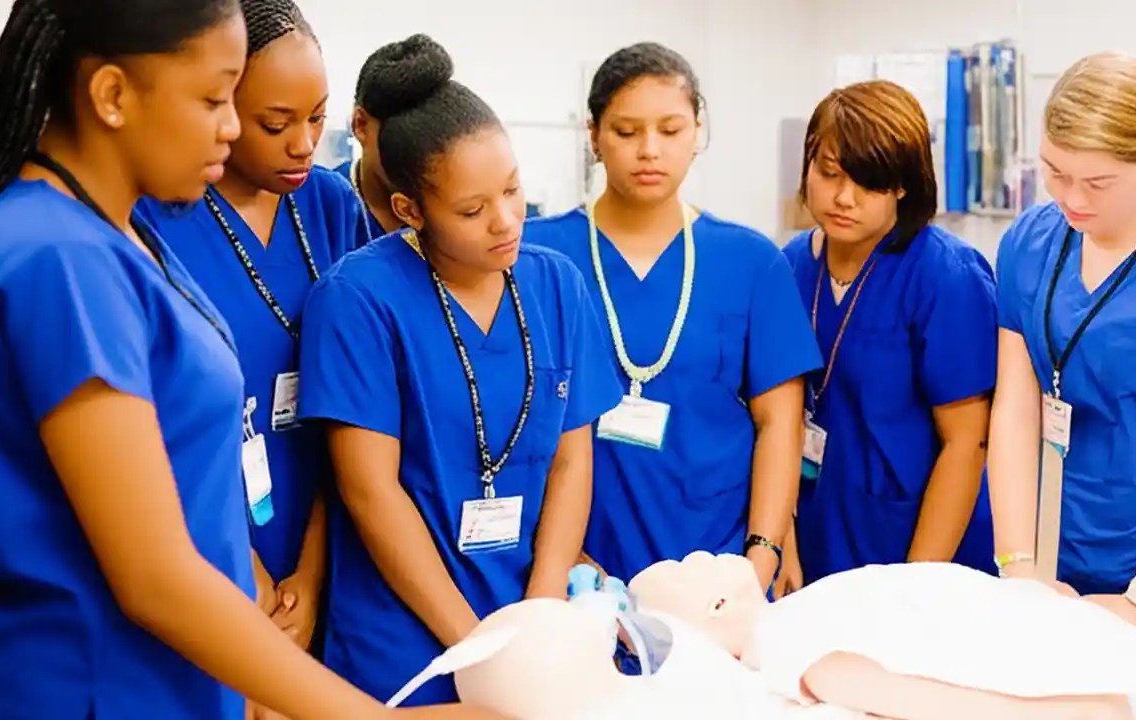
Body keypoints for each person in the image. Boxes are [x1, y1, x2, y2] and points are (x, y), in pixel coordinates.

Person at [0, 2, 502, 718]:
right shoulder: (56, 255)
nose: (230, 128)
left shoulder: (116, 235)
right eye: (213, 99)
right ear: (112, 95)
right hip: (102, 682)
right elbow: (156, 577)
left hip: (182, 670)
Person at [297, 34, 622, 705]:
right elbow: (370, 492)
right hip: (404, 636)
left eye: (512, 190)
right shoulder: (358, 299)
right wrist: (477, 647)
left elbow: (570, 460)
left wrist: (536, 617)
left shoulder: (555, 284)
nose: (506, 222)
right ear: (410, 211)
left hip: (527, 613)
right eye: (472, 211)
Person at [523, 42, 819, 595]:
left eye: (671, 129)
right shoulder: (538, 257)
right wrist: (560, 556)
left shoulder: (751, 261)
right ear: (594, 136)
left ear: (697, 132)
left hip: (718, 561)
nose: (649, 151)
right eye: (627, 131)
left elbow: (779, 423)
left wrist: (763, 553)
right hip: (572, 562)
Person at [136, 0, 355, 660]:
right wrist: (248, 580)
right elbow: (150, 430)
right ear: (220, 105)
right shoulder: (155, 215)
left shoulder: (330, 204)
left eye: (318, 117)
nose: (304, 144)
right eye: (276, 123)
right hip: (198, 536)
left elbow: (361, 411)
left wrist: (310, 579)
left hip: (323, 527)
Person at [989, 52, 1136, 649]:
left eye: (1098, 182)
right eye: (1055, 173)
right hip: (1055, 554)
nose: (1071, 199)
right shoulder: (1028, 244)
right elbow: (1014, 410)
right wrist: (1019, 569)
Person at [782, 80, 997, 588]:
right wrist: (778, 540)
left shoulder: (945, 277)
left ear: (904, 184)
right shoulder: (789, 267)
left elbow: (967, 444)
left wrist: (914, 589)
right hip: (816, 528)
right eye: (828, 173)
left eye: (869, 183)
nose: (842, 197)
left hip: (915, 544)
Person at [334, 37, 416, 246]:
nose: (421, 152)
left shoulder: (448, 212)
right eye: (404, 136)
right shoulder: (323, 207)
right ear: (360, 125)